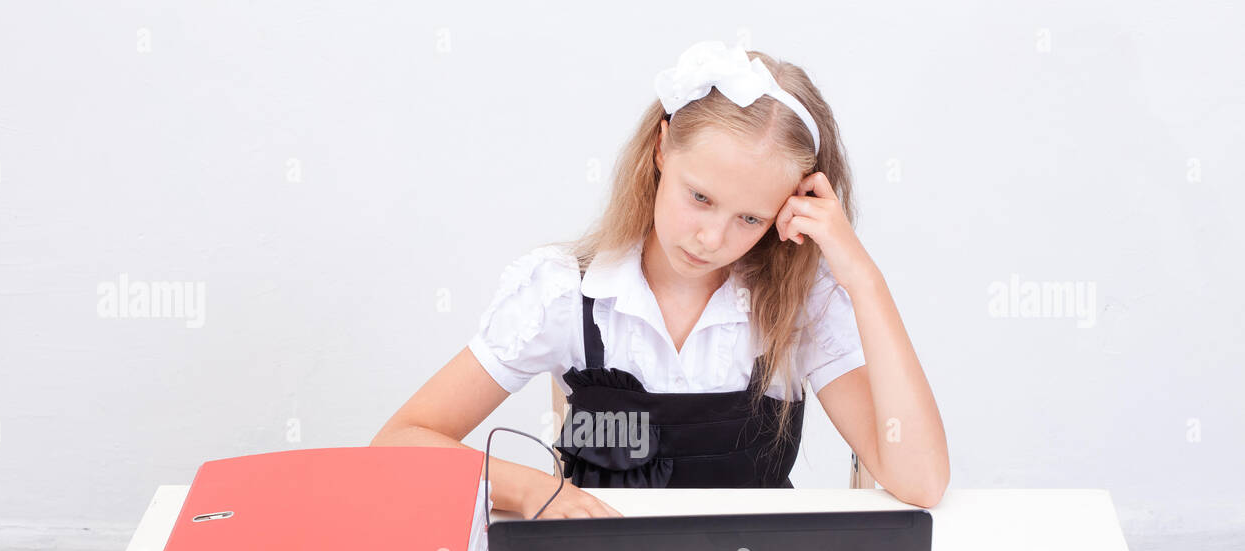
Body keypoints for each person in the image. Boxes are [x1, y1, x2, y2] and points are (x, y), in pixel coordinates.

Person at [373, 39, 949, 519]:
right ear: (660, 148)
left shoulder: (799, 303)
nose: (711, 238)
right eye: (700, 197)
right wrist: (533, 491)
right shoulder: (562, 294)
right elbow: (398, 446)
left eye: (750, 218)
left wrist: (862, 278)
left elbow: (920, 481)